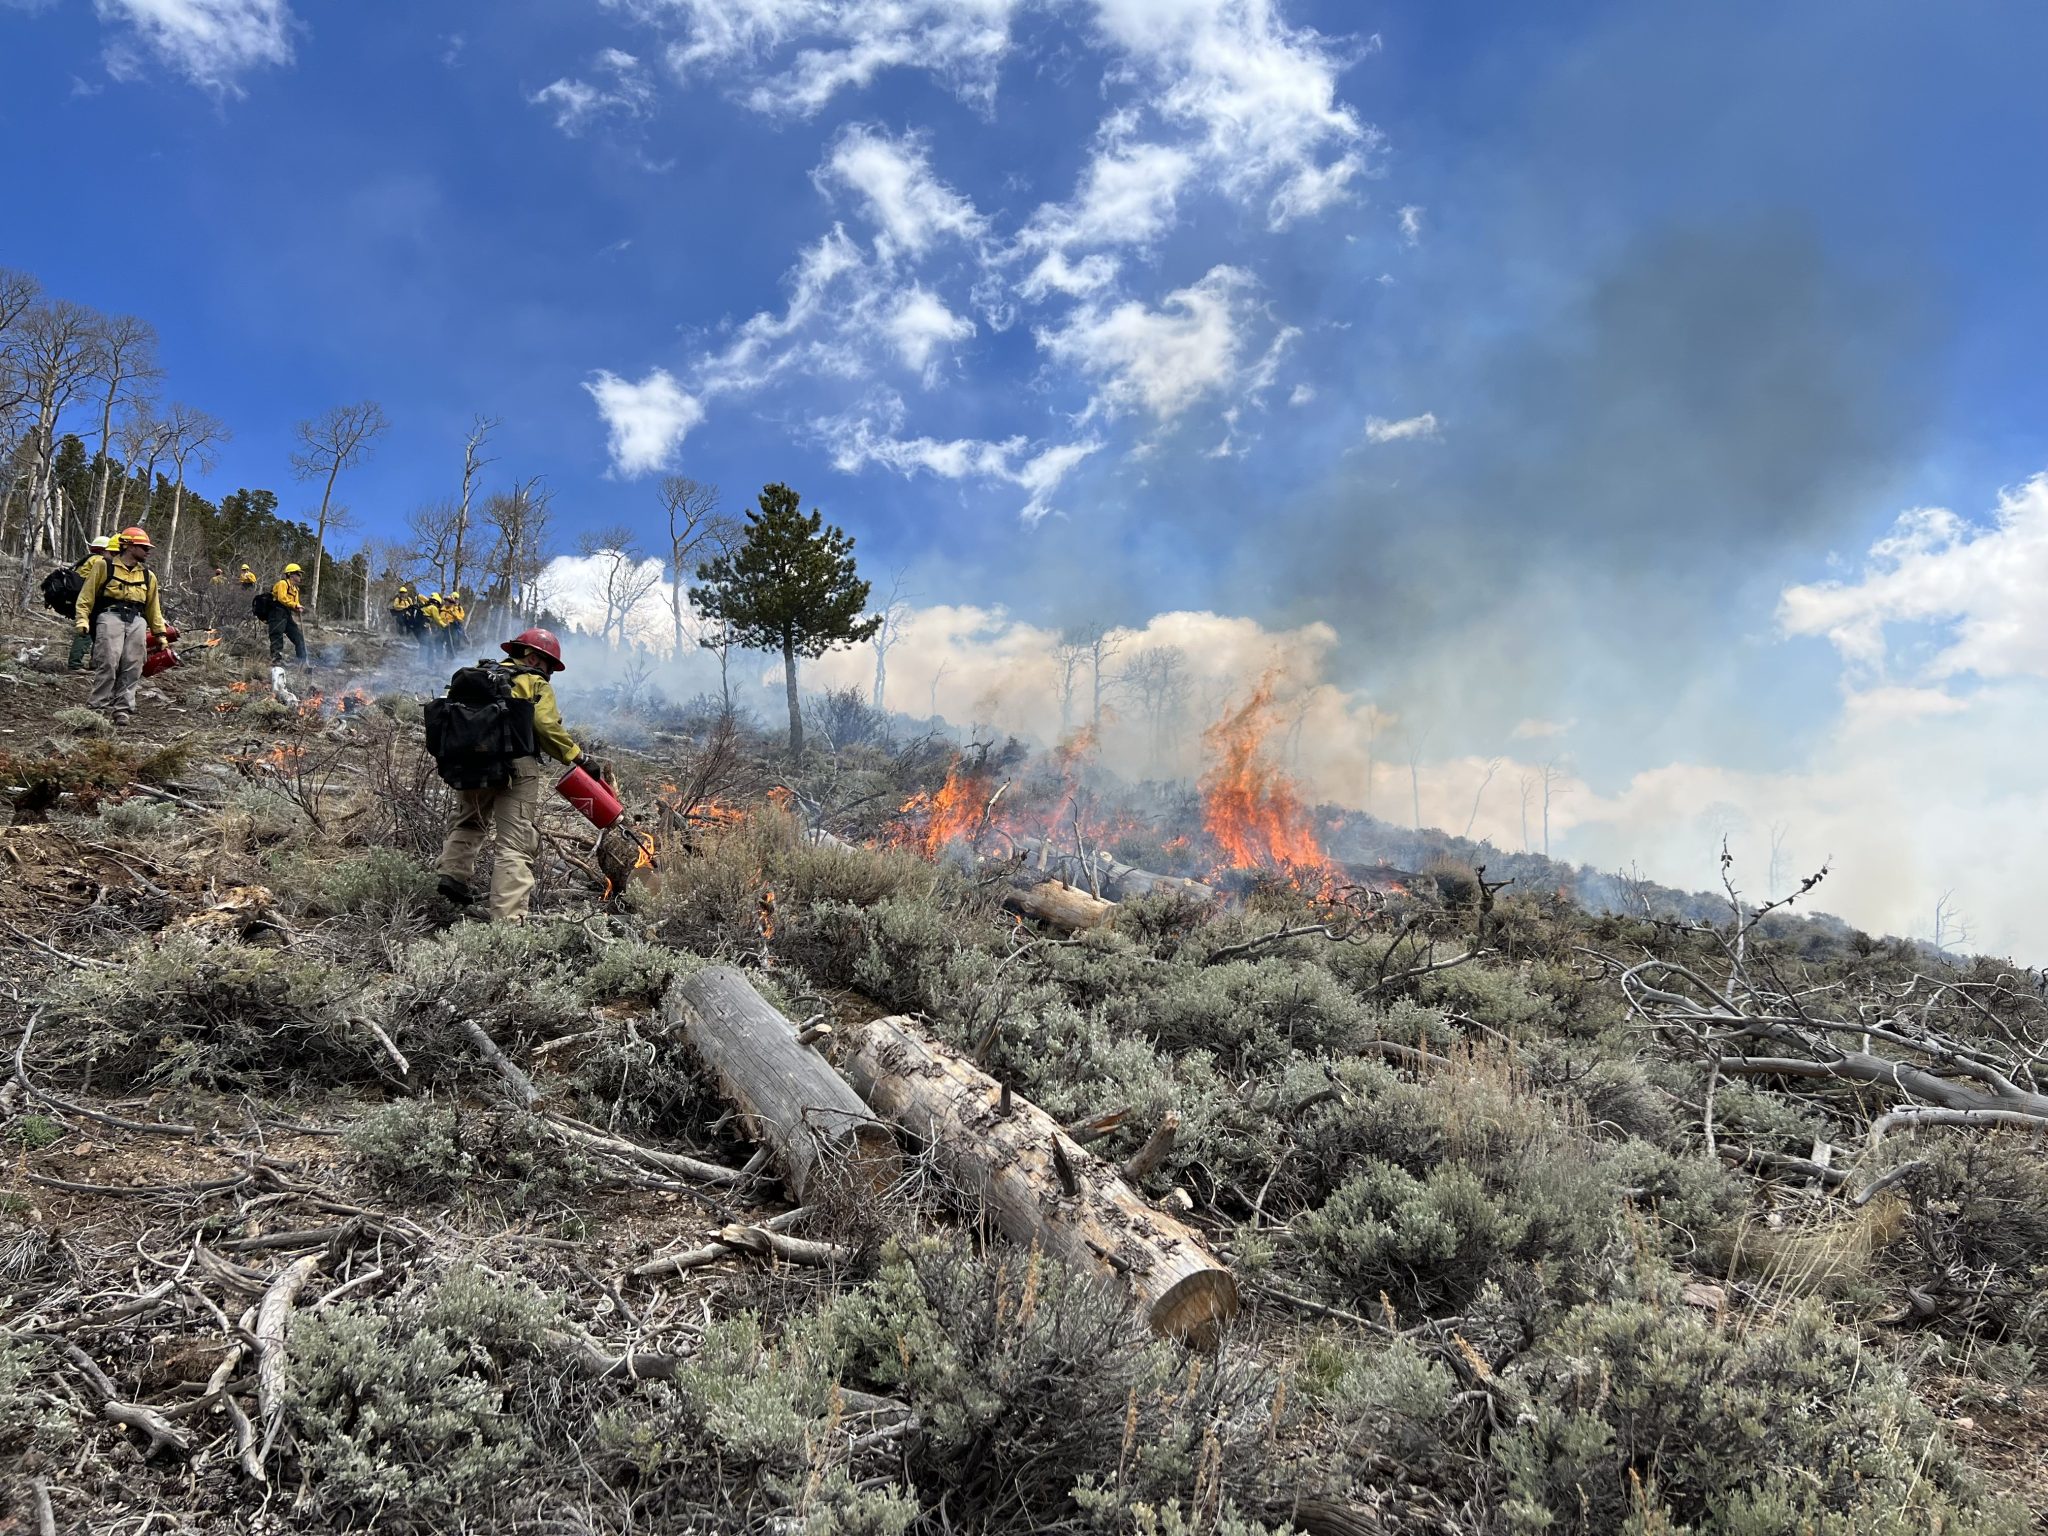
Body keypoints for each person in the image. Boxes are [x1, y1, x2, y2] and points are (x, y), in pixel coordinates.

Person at [435, 628, 605, 922]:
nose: (549, 671)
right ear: (534, 657)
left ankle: (453, 875)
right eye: (549, 664)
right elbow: (545, 726)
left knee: (468, 822)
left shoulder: (477, 675)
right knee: (514, 842)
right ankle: (507, 921)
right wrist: (578, 757)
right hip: (517, 768)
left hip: (470, 762)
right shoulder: (533, 681)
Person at [73, 527, 167, 725]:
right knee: (108, 661)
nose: (147, 551)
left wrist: (160, 635)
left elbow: (153, 608)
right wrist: (82, 619)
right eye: (143, 547)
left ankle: (122, 709)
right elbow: (86, 596)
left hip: (137, 620)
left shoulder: (149, 576)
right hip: (110, 617)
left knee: (133, 665)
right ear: (129, 546)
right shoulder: (103, 566)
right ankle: (97, 706)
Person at [66, 536, 115, 670]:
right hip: (91, 601)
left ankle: (94, 663)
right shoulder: (99, 561)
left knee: (96, 632)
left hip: (84, 599)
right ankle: (75, 664)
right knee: (86, 632)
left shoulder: (87, 559)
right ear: (104, 550)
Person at [268, 564, 308, 664]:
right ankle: (276, 659)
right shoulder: (283, 583)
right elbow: (282, 598)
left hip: (286, 613)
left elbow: (295, 603)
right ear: (291, 575)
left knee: (298, 637)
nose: (300, 576)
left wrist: (298, 608)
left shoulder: (295, 589)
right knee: (277, 634)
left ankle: (302, 661)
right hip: (276, 611)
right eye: (298, 574)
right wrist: (295, 605)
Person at [440, 588, 468, 654]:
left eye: (456, 598)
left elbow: (461, 617)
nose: (455, 600)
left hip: (455, 625)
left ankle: (456, 651)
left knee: (456, 638)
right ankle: (448, 654)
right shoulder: (445, 607)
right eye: (453, 598)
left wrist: (454, 614)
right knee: (446, 640)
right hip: (446, 625)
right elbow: (441, 616)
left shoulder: (459, 608)